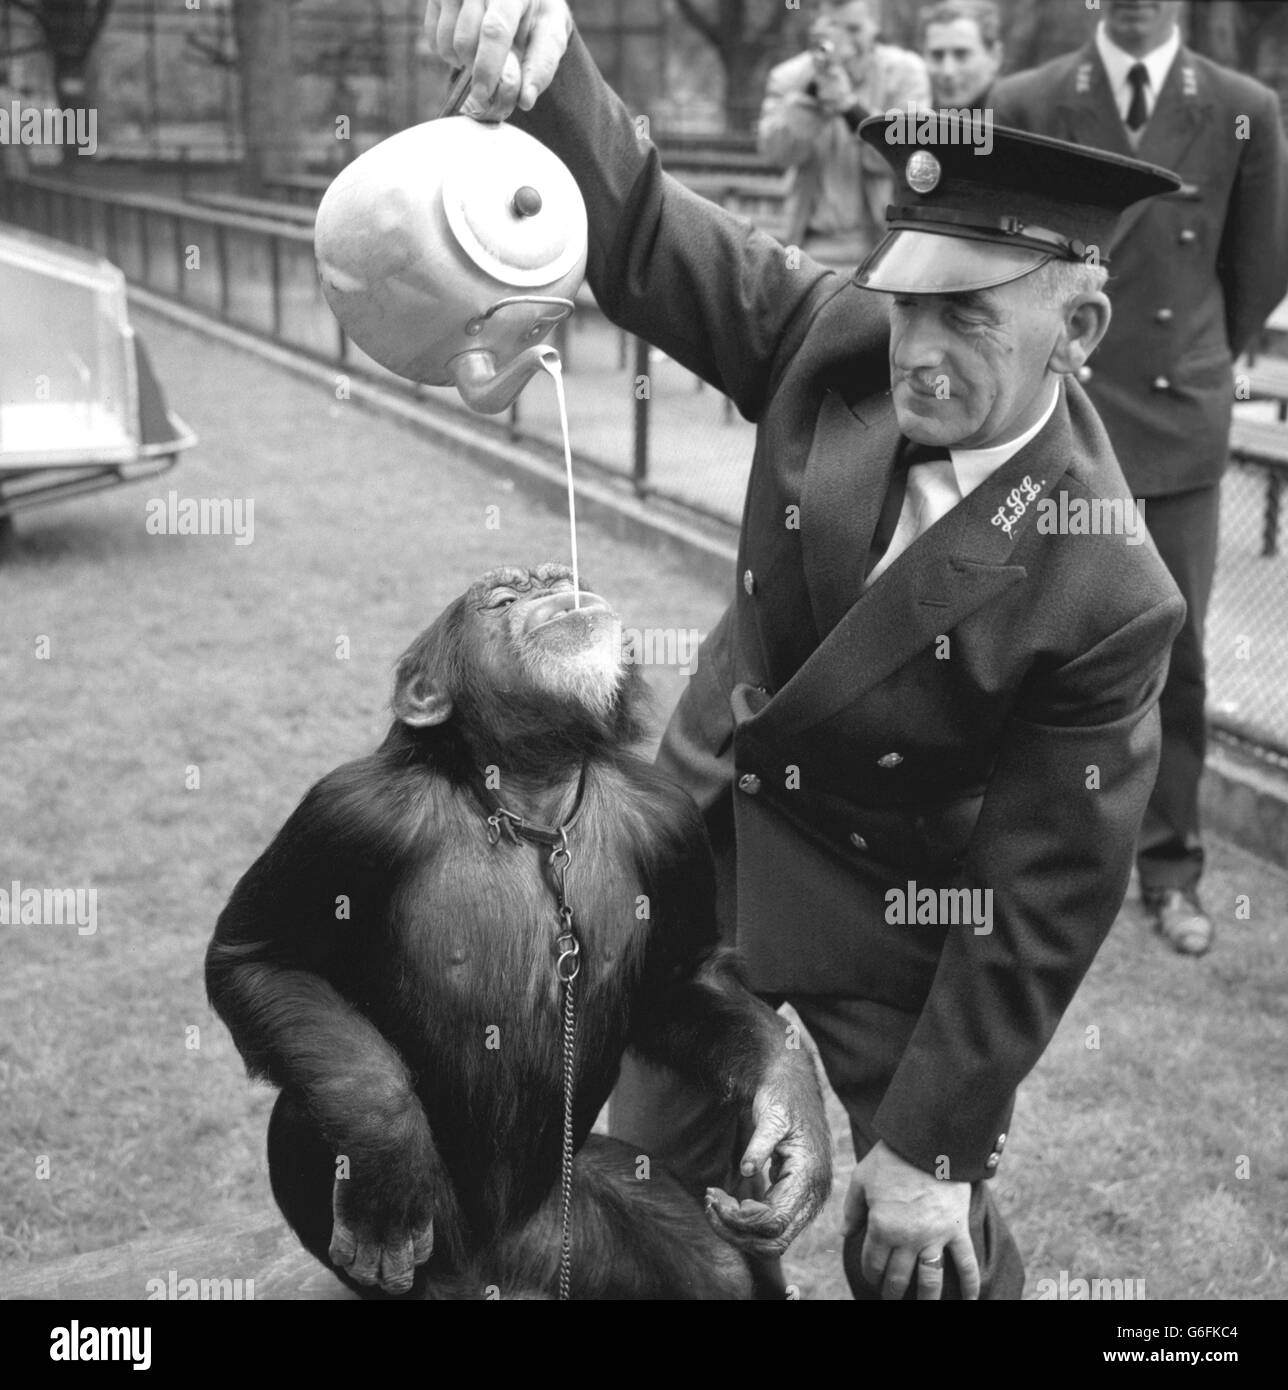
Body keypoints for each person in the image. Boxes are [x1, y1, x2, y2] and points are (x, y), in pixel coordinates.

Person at [422, 0, 1186, 1300]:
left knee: (921, 1253)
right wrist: (552, 66)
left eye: (971, 323)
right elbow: (656, 235)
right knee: (663, 1197)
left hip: (887, 920)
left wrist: (934, 1146)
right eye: (910, 306)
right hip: (702, 841)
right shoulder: (838, 336)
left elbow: (1041, 899)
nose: (920, 355)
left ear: (1085, 328)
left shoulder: (1107, 589)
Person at [991, 0, 1288, 957]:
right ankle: (1027, 864)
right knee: (1025, 640)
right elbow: (1003, 252)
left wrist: (1205, 362)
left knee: (1182, 651)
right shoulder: (1028, 97)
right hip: (1055, 411)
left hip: (1175, 420)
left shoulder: (1244, 107)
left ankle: (1170, 871)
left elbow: (1257, 271)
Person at [757, 0, 929, 266]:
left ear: (875, 26)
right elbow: (774, 153)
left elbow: (909, 158)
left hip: (885, 247)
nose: (846, 43)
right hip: (809, 246)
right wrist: (810, 95)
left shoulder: (906, 72)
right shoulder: (789, 77)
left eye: (854, 29)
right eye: (835, 29)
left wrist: (850, 109)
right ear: (818, 27)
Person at [919, 0, 1003, 109]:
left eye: (961, 54)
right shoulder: (910, 117)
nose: (948, 71)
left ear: (994, 57)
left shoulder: (1023, 120)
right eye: (937, 55)